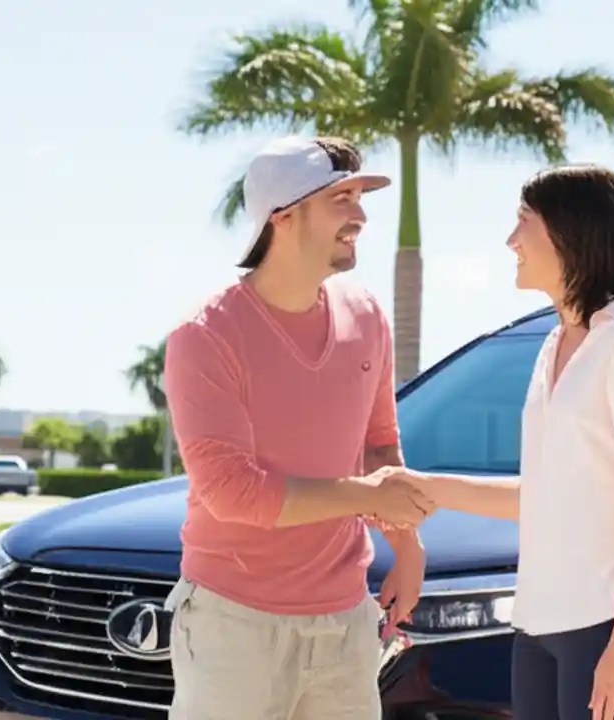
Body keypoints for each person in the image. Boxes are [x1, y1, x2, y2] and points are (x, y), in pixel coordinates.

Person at [385, 164, 614, 720]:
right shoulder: (555, 345)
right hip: (539, 623)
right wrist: (427, 488)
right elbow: (547, 498)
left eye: (523, 222)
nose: (511, 240)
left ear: (569, 232)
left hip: (610, 623)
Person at [161, 135, 434, 720]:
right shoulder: (206, 337)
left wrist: (406, 544)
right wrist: (370, 497)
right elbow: (233, 492)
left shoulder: (367, 317)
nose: (360, 214)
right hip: (234, 627)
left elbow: (378, 443)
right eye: (342, 199)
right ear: (283, 218)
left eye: (360, 197)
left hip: (343, 623)